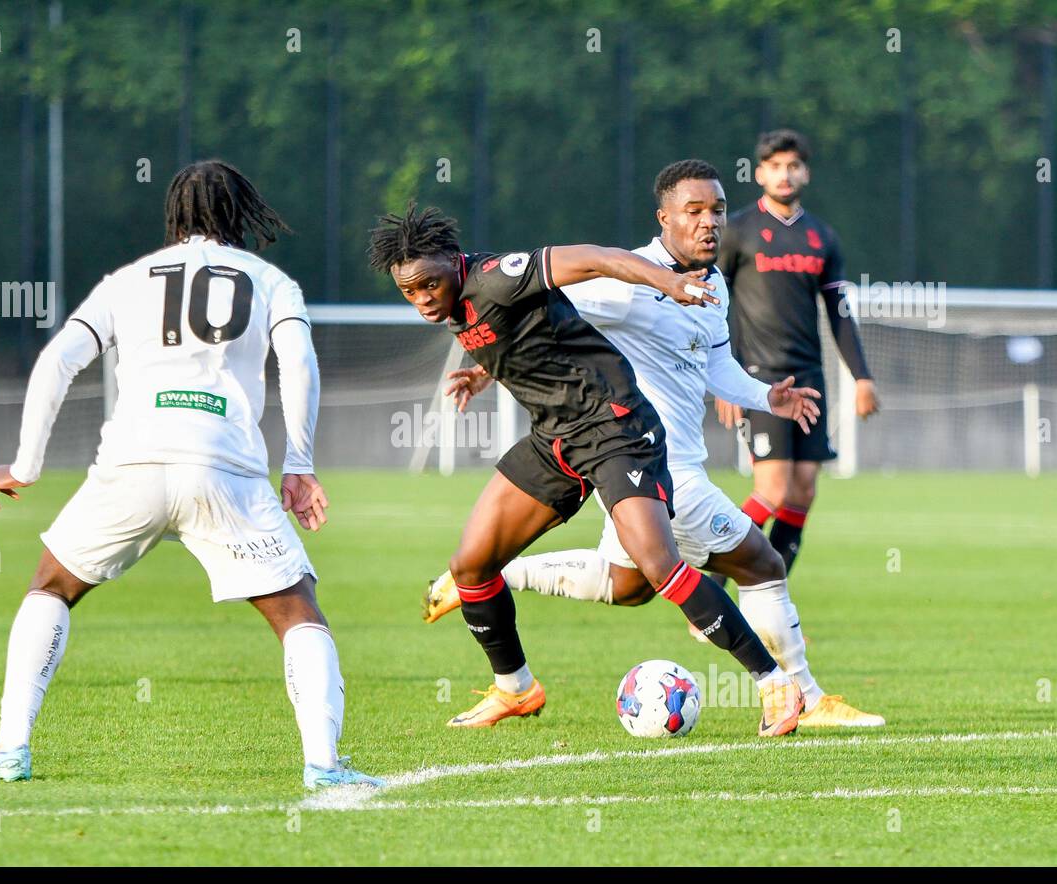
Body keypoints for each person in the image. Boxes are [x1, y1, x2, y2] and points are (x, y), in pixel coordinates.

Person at [0, 160, 382, 790]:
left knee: (51, 586)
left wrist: (27, 464)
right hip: (224, 468)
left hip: (133, 462)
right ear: (240, 214)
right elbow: (299, 364)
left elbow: (56, 363)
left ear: (174, 216)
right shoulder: (271, 281)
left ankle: (10, 749)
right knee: (297, 613)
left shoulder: (125, 282)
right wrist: (300, 464)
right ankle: (324, 766)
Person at [421, 160, 884, 728]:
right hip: (650, 459)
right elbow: (535, 316)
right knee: (762, 565)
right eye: (694, 212)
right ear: (664, 218)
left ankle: (489, 575)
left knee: (628, 585)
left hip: (635, 462)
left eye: (716, 210)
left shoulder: (710, 282)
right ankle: (803, 697)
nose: (709, 222)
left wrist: (768, 398)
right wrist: (484, 366)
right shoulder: (628, 282)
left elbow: (714, 362)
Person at [368, 202, 804, 737]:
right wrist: (483, 373)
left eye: (428, 285)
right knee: (471, 565)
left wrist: (668, 282)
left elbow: (599, 258)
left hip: (616, 428)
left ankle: (774, 683)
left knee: (657, 567)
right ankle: (516, 688)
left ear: (453, 263)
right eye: (409, 292)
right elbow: (525, 338)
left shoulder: (499, 278)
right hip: (556, 438)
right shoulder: (455, 301)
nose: (422, 300)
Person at [714, 129, 879, 580]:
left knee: (803, 491)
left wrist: (861, 377)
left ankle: (769, 597)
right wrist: (725, 378)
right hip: (759, 379)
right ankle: (712, 588)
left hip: (810, 376)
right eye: (774, 166)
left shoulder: (821, 237)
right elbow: (716, 304)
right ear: (759, 172)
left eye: (793, 166)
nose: (784, 175)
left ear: (805, 172)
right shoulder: (739, 231)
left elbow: (839, 314)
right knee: (771, 487)